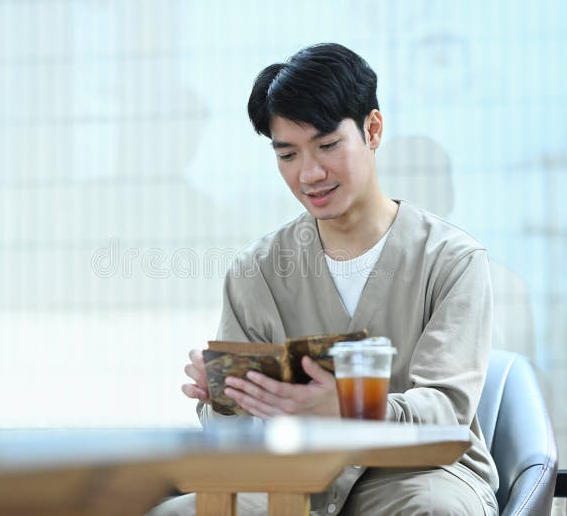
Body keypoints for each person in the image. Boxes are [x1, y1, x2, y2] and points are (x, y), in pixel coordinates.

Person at [153, 43, 499, 515]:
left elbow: (447, 410)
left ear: (372, 130)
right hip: (298, 481)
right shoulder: (256, 271)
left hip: (416, 477)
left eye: (327, 145)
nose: (309, 173)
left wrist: (349, 408)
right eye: (288, 154)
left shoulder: (451, 260)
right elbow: (229, 440)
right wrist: (224, 395)